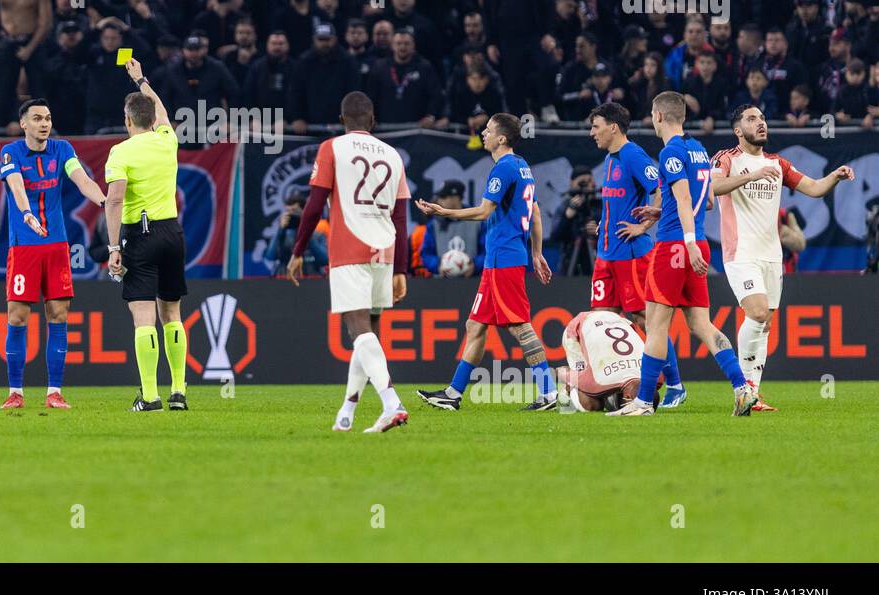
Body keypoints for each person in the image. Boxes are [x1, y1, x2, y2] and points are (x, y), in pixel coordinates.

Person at [609, 92, 760, 416]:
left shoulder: (671, 152)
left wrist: (686, 240)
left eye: (652, 114)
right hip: (697, 242)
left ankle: (643, 401)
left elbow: (681, 200)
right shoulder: (697, 150)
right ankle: (742, 388)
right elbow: (703, 202)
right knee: (702, 325)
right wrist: (658, 212)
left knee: (656, 324)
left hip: (676, 247)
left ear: (659, 116)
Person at [710, 105, 855, 411]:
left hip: (772, 256)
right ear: (738, 130)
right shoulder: (727, 158)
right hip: (741, 252)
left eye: (762, 118)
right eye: (752, 119)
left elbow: (813, 188)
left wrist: (835, 176)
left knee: (765, 325)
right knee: (758, 312)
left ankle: (752, 395)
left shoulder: (778, 163)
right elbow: (712, 187)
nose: (760, 123)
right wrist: (751, 177)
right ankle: (742, 387)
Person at [285, 90, 411, 433]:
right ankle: (347, 411)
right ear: (372, 121)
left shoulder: (332, 148)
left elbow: (313, 206)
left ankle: (391, 403)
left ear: (342, 121)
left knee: (357, 331)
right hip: (384, 250)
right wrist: (401, 268)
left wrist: (298, 250)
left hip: (349, 249)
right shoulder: (392, 154)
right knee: (367, 334)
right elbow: (402, 218)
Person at [415, 113, 556, 412]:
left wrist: (444, 212)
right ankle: (453, 393)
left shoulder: (503, 168)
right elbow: (537, 213)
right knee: (475, 325)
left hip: (504, 259)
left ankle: (549, 392)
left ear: (502, 138)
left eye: (489, 130)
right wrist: (536, 252)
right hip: (502, 259)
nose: (483, 133)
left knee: (519, 326)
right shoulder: (522, 167)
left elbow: (483, 212)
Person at [0, 98, 106, 410]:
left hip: (57, 246)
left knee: (58, 315)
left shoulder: (63, 150)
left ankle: (54, 392)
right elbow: (17, 185)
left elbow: (82, 180)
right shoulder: (11, 152)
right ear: (23, 124)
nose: (44, 123)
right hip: (24, 247)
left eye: (47, 118)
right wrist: (26, 212)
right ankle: (15, 392)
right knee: (18, 317)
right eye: (37, 118)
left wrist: (104, 203)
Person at [585, 103, 687, 406]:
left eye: (596, 126)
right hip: (606, 255)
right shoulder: (610, 158)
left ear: (613, 127)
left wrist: (644, 226)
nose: (592, 133)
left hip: (632, 254)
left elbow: (660, 186)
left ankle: (676, 385)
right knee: (602, 320)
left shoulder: (632, 154)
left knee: (645, 318)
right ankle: (612, 385)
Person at [104, 58, 189, 412]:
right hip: (172, 231)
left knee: (143, 317)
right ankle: (179, 392)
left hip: (140, 234)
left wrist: (112, 248)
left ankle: (151, 396)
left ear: (127, 121)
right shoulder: (167, 139)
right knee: (173, 313)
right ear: (152, 119)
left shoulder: (120, 152)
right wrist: (141, 79)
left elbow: (116, 199)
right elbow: (164, 113)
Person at [559, 311, 648, 413]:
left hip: (619, 322)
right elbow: (579, 378)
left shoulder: (655, 376)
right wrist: (564, 375)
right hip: (580, 327)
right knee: (591, 405)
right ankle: (566, 390)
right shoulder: (602, 379)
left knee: (618, 401)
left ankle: (611, 395)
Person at [266, 189, 327, 277]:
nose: (291, 214)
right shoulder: (283, 235)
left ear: (305, 212)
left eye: (294, 211)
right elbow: (270, 256)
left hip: (312, 282)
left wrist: (306, 231)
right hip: (285, 282)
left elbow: (324, 260)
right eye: (288, 211)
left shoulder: (317, 235)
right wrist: (280, 230)